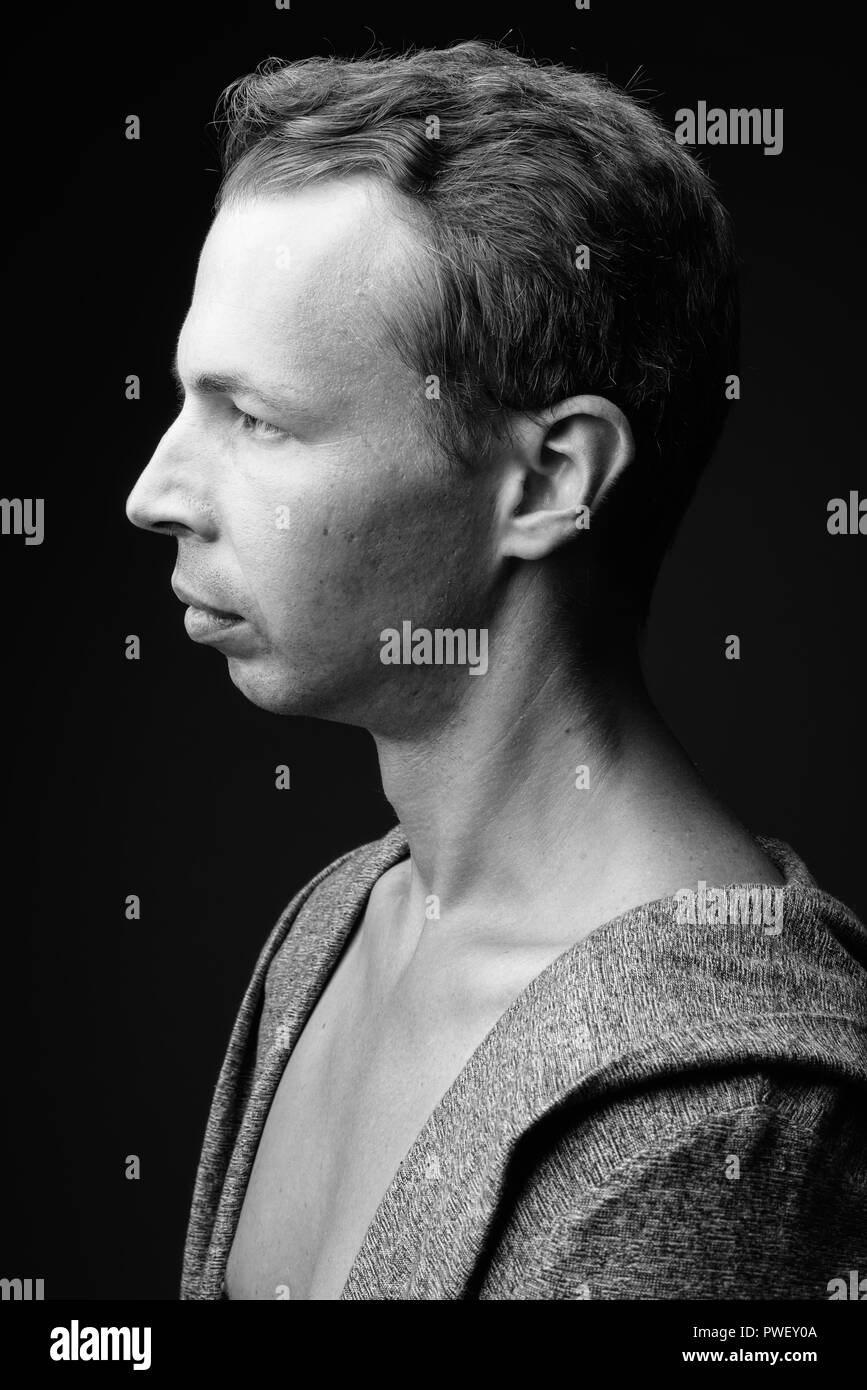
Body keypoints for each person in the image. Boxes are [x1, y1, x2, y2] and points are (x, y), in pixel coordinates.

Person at [125, 41, 867, 1300]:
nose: (153, 493)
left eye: (256, 419)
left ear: (551, 479)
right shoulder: (333, 927)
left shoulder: (726, 1113)